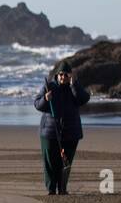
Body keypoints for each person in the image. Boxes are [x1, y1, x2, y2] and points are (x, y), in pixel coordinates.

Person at [35, 60, 90, 195]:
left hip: (71, 132)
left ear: (70, 76)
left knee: (66, 163)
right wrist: (45, 99)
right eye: (60, 75)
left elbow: (83, 99)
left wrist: (74, 85)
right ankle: (51, 189)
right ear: (57, 75)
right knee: (50, 163)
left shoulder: (75, 87)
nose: (63, 77)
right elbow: (37, 104)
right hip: (49, 132)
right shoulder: (49, 86)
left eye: (66, 75)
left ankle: (62, 188)